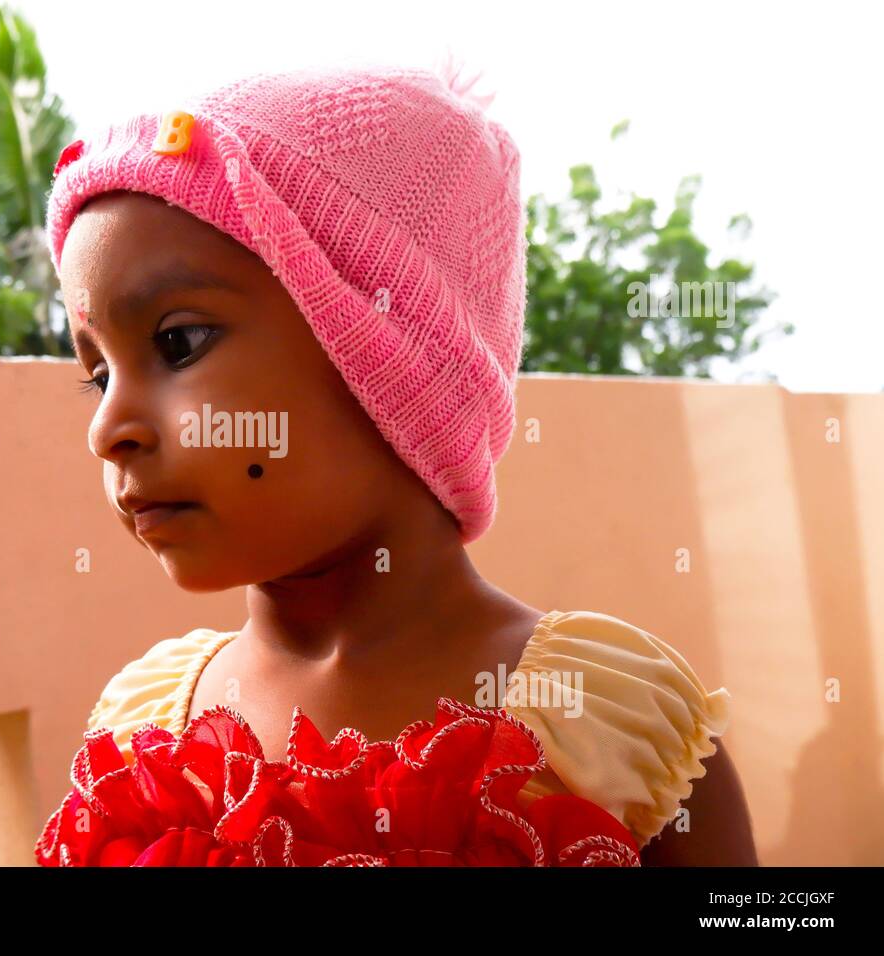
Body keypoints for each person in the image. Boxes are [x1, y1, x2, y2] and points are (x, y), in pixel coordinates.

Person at [38, 61, 757, 866]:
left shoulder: (607, 731)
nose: (108, 427)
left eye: (178, 342)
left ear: (387, 359)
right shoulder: (140, 734)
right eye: (98, 373)